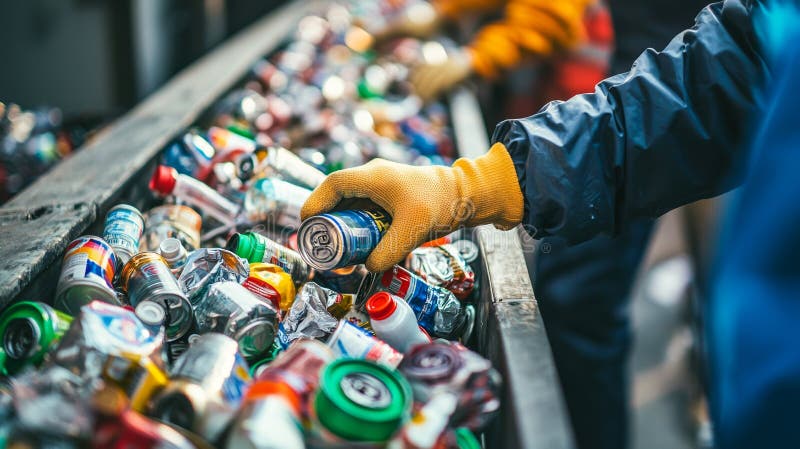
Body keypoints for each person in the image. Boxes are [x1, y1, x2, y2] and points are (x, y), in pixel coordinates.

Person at [302, 0, 771, 446]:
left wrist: (480, 62)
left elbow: (711, 83)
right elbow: (723, 78)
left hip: (616, 100)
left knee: (581, 300)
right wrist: (475, 186)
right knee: (575, 298)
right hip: (630, 108)